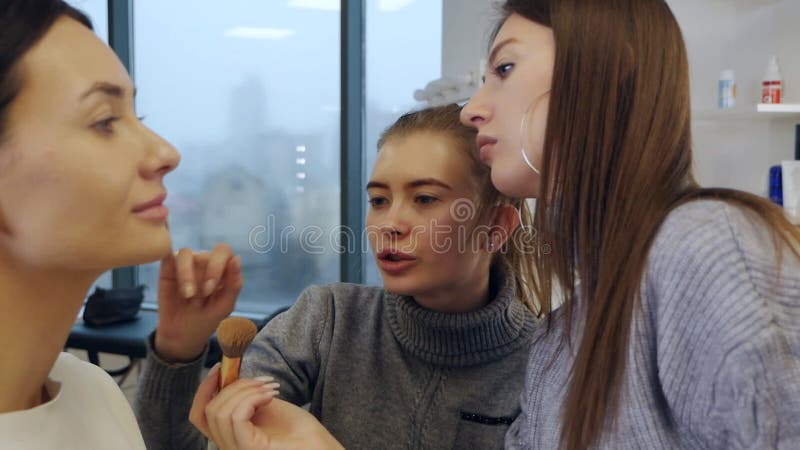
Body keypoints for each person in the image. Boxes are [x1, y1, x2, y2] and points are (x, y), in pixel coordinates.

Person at [458, 0, 800, 449]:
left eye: (504, 68)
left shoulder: (707, 244)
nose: (471, 110)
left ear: (608, 75)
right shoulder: (558, 338)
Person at [135, 104, 541, 449]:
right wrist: (177, 349)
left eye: (425, 199)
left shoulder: (547, 365)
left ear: (496, 226)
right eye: (379, 200)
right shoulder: (327, 320)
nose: (390, 223)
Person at [0, 1, 248, 448]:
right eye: (104, 121)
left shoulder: (92, 392)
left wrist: (178, 346)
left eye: (139, 117)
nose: (166, 153)